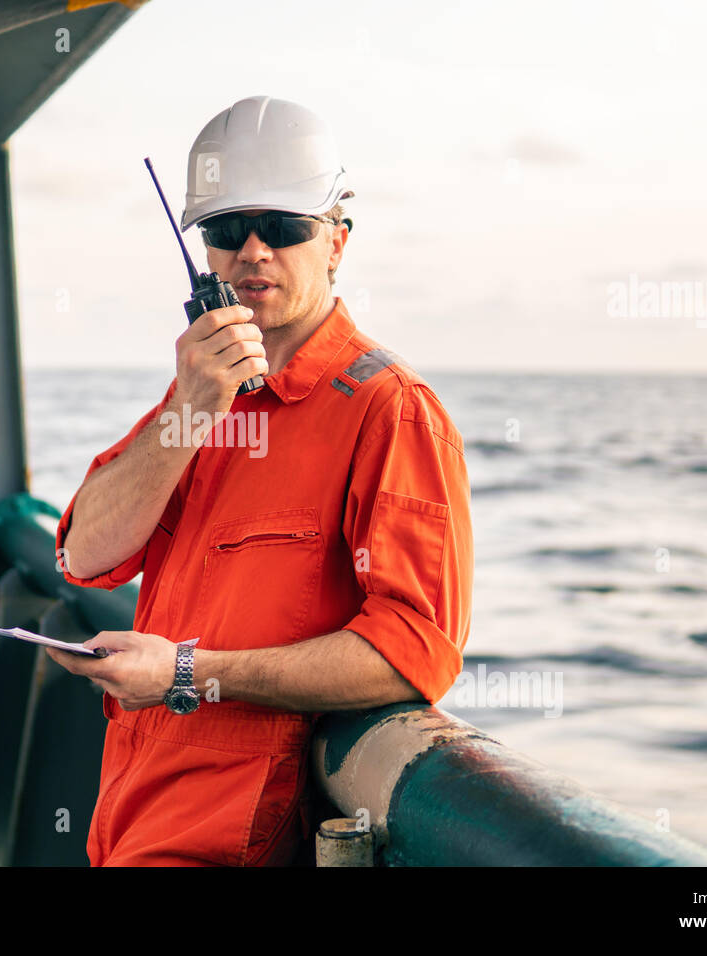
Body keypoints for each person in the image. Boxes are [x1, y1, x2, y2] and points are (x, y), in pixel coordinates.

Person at [45, 95, 473, 866]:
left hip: (234, 846)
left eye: (281, 228)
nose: (252, 252)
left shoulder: (390, 410)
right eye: (224, 230)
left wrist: (184, 672)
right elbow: (83, 552)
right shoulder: (200, 397)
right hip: (128, 826)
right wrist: (188, 406)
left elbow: (416, 650)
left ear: (336, 243)